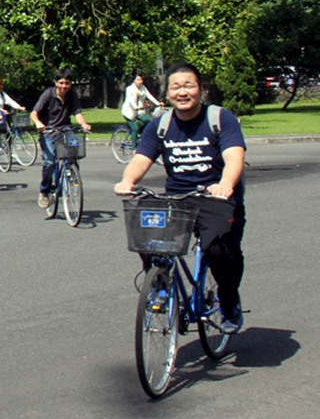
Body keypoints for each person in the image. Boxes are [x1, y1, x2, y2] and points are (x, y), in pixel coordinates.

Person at [114, 61, 246, 333]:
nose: (182, 92)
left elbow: (234, 156)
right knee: (145, 223)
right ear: (167, 93)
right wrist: (128, 181)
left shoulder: (220, 118)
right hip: (178, 198)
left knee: (220, 249)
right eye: (176, 86)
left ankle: (229, 299)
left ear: (201, 90)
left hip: (216, 197)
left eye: (189, 85)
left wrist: (224, 184)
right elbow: (141, 159)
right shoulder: (159, 125)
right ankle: (160, 284)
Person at [30, 68, 92, 208]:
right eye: (61, 83)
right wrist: (39, 123)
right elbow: (34, 113)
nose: (64, 86)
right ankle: (44, 190)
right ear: (56, 82)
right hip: (48, 131)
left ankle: (72, 179)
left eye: (67, 83)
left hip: (65, 129)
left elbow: (77, 113)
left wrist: (84, 124)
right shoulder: (48, 94)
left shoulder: (72, 95)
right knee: (50, 162)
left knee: (74, 151)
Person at [121, 73, 164, 149]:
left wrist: (158, 103)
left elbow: (149, 96)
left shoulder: (143, 88)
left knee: (148, 122)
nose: (140, 81)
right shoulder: (129, 89)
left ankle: (141, 135)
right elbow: (130, 100)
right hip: (129, 112)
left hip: (140, 111)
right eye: (138, 79)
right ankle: (134, 147)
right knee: (135, 128)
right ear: (134, 80)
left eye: (141, 79)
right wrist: (136, 107)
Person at [0, 75, 26, 155]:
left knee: (8, 131)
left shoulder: (2, 94)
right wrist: (1, 110)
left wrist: (19, 107)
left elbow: (10, 101)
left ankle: (9, 150)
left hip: (2, 115)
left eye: (0, 83)